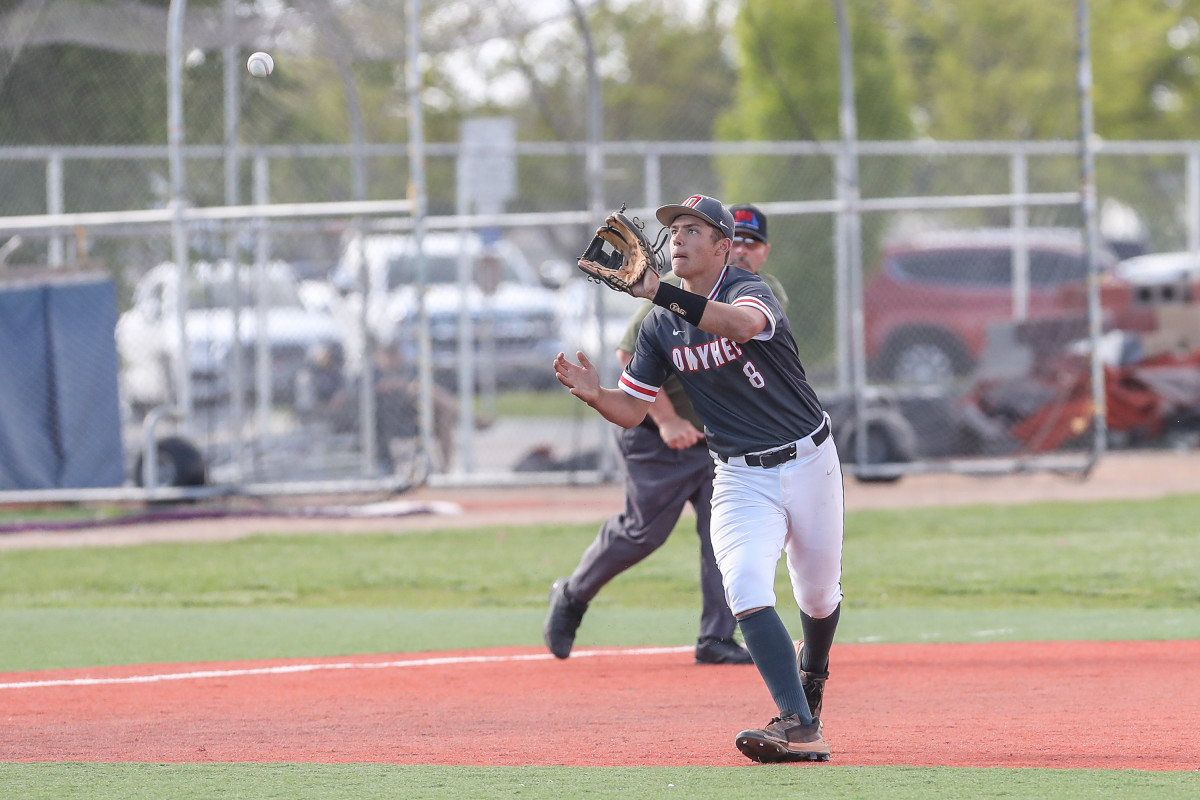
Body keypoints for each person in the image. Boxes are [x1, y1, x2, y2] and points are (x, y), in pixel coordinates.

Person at [552, 195, 844, 763]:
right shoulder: (660, 326)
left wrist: (658, 290)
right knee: (745, 586)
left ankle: (814, 674)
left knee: (817, 592)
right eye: (674, 229)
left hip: (809, 461)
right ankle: (799, 725)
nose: (678, 238)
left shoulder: (747, 290)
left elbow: (739, 326)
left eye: (693, 229)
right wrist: (595, 396)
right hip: (738, 474)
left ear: (723, 246)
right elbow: (633, 409)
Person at [543, 206, 787, 668]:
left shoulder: (759, 296)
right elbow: (629, 353)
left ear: (762, 252)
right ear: (721, 250)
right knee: (643, 533)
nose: (742, 250)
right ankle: (574, 595)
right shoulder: (674, 296)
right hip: (659, 435)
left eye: (750, 243)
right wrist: (670, 419)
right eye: (735, 241)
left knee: (725, 537)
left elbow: (753, 346)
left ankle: (716, 637)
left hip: (721, 441)